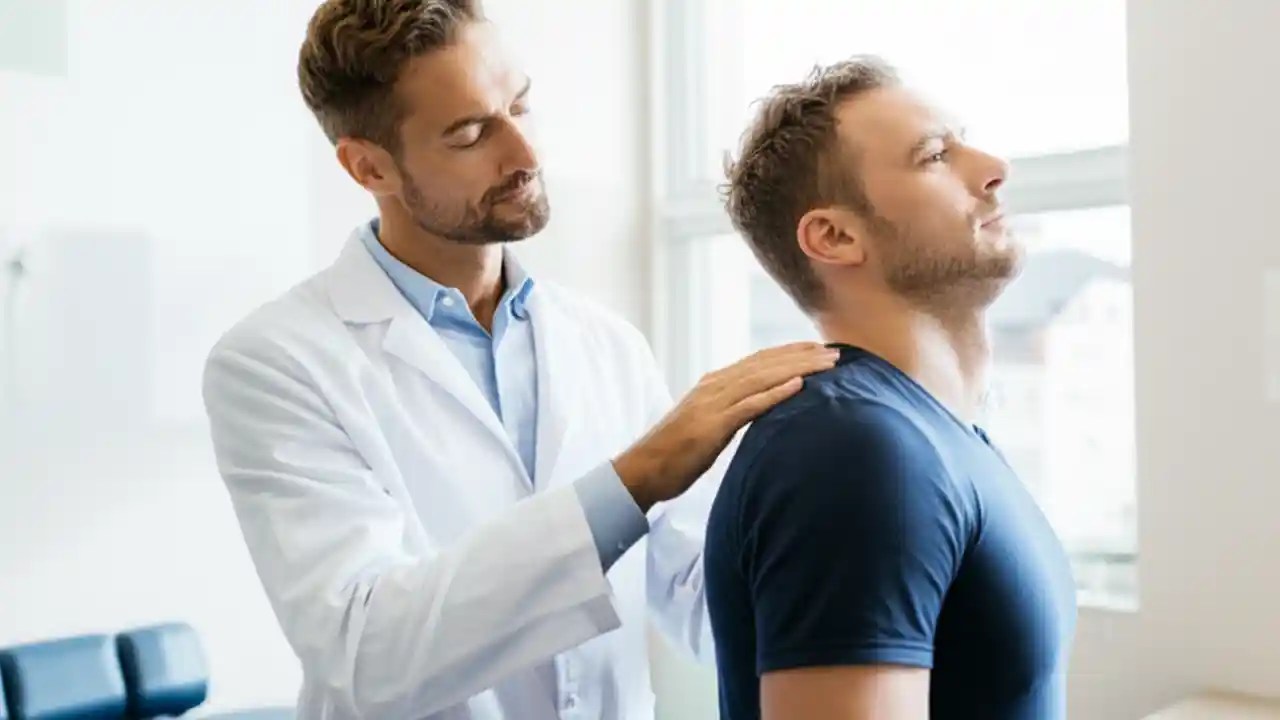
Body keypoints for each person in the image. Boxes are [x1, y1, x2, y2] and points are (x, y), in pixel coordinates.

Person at [200, 1, 838, 718]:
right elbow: (365, 653)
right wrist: (634, 480)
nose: (526, 154)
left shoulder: (605, 343)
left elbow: (700, 596)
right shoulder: (274, 363)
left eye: (521, 105)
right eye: (472, 134)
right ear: (368, 165)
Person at [704, 57, 1079, 720]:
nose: (994, 167)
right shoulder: (851, 445)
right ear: (835, 236)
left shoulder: (937, 435)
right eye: (935, 156)